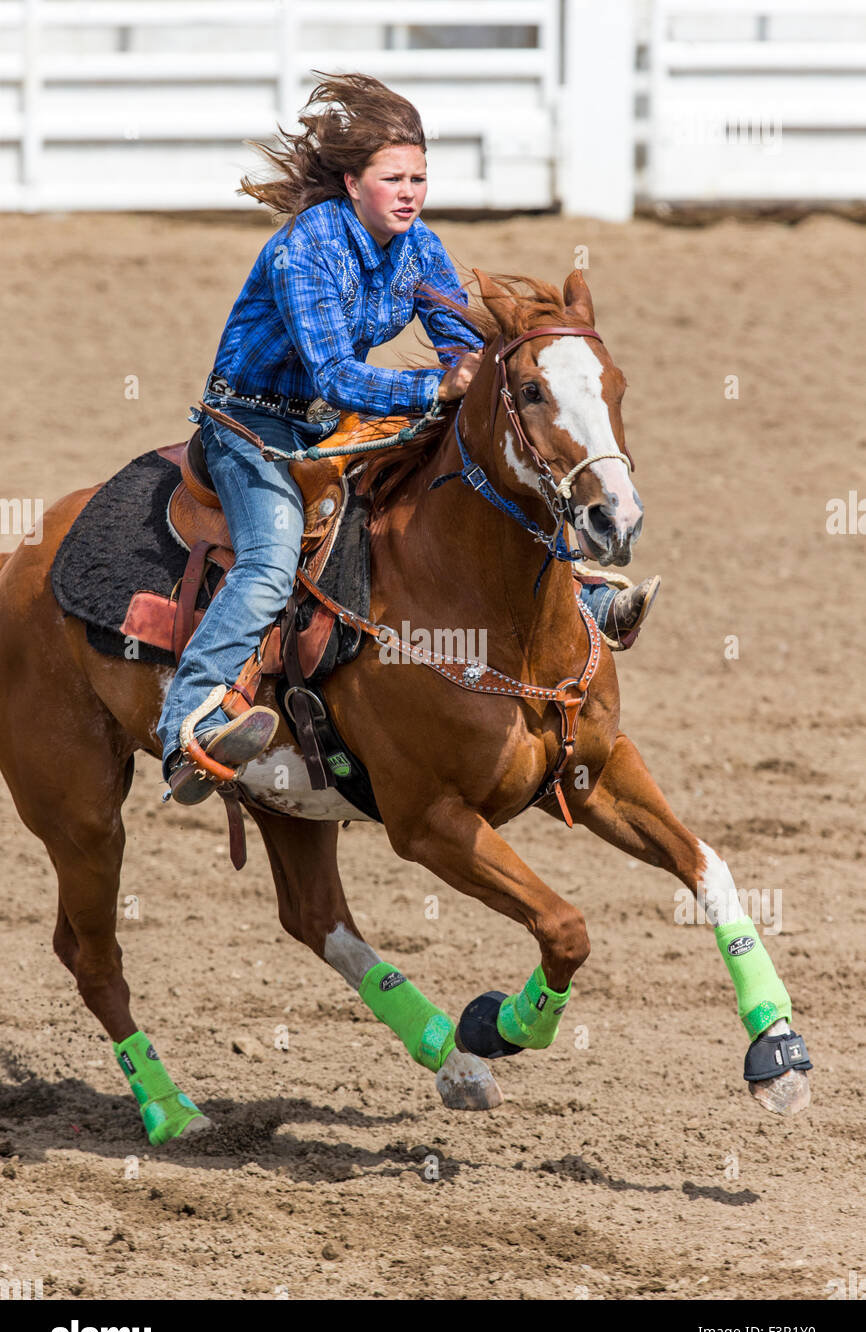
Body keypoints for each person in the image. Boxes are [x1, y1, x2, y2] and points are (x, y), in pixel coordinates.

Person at [159, 73, 658, 806]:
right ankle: (186, 729)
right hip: (255, 426)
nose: (410, 191)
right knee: (268, 559)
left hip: (339, 428)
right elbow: (332, 373)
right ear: (352, 181)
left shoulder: (417, 246)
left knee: (473, 484)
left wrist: (492, 362)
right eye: (393, 177)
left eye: (420, 177)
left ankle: (578, 590)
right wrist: (436, 388)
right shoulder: (308, 249)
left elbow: (460, 336)